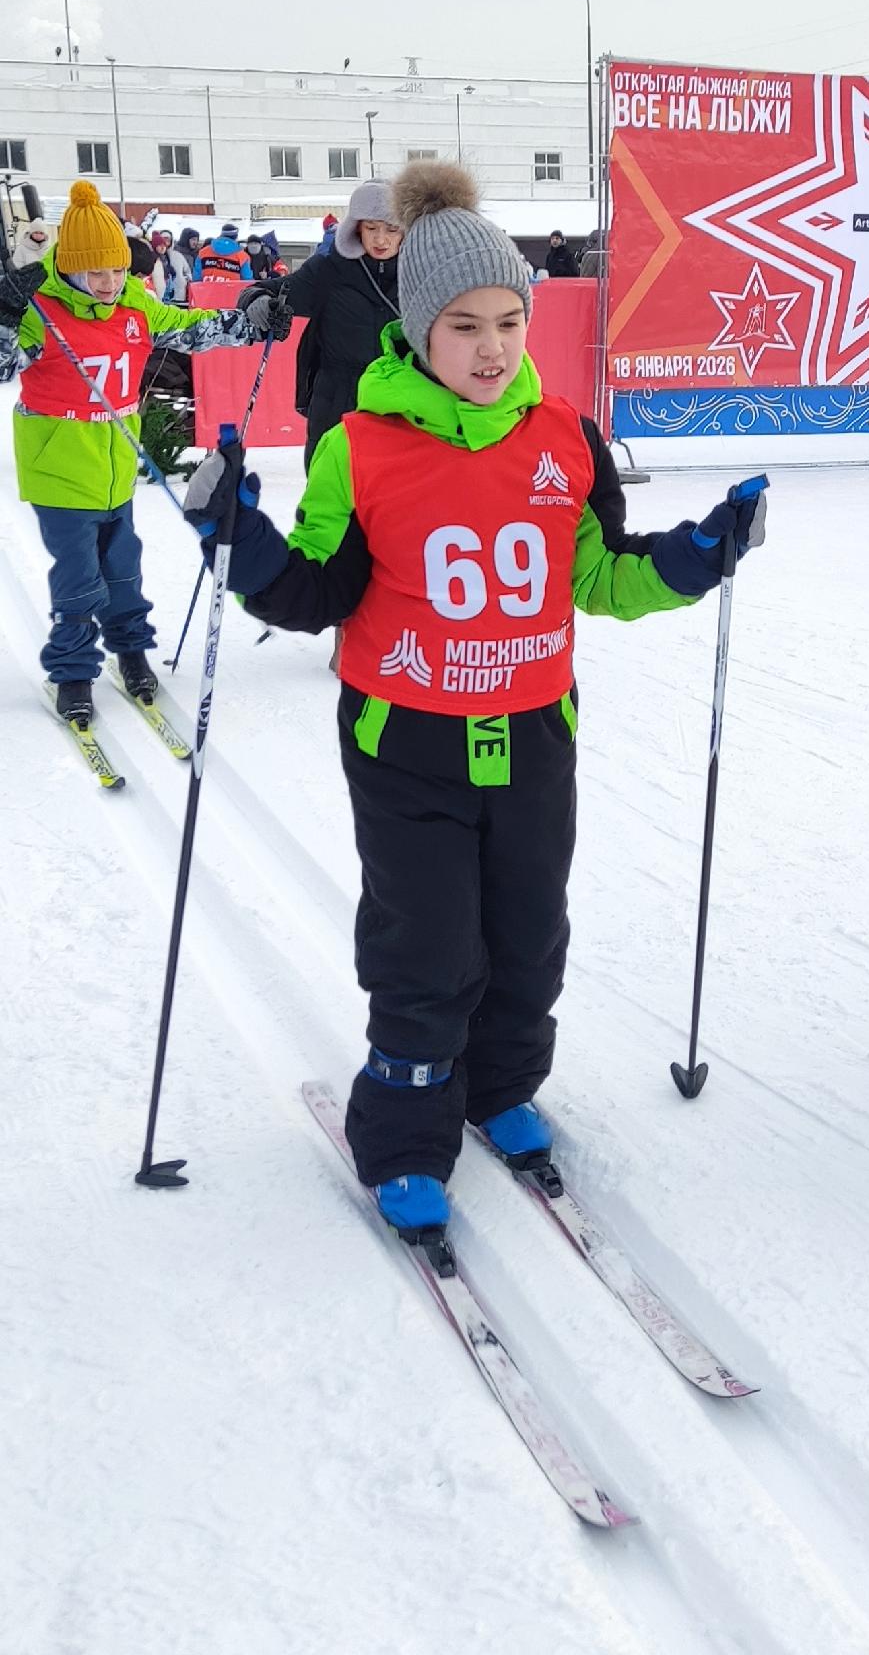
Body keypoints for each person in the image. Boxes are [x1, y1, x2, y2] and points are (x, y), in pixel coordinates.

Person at [181, 161, 767, 1237]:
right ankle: (404, 1132)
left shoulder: (565, 438)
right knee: (428, 943)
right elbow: (320, 590)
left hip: (536, 735)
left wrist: (695, 557)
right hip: (407, 740)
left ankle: (499, 1087)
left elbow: (598, 575)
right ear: (417, 329)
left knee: (530, 931)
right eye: (465, 325)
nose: (494, 348)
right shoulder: (360, 449)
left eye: (509, 320)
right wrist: (242, 538)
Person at [0, 181, 290, 731]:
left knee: (123, 571)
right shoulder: (43, 311)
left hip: (116, 469)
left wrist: (250, 318)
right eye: (96, 274)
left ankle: (129, 650)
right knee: (81, 578)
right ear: (68, 267)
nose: (109, 284)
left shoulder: (133, 303)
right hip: (60, 468)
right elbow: (3, 367)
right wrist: (7, 315)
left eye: (116, 271)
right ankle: (72, 670)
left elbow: (189, 330)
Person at [282, 180, 405, 466]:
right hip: (336, 399)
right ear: (356, 227)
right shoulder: (329, 269)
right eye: (372, 228)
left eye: (391, 229)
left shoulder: (422, 273)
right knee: (328, 496)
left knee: (395, 500)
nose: (381, 239)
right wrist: (259, 300)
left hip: (400, 402)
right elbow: (277, 293)